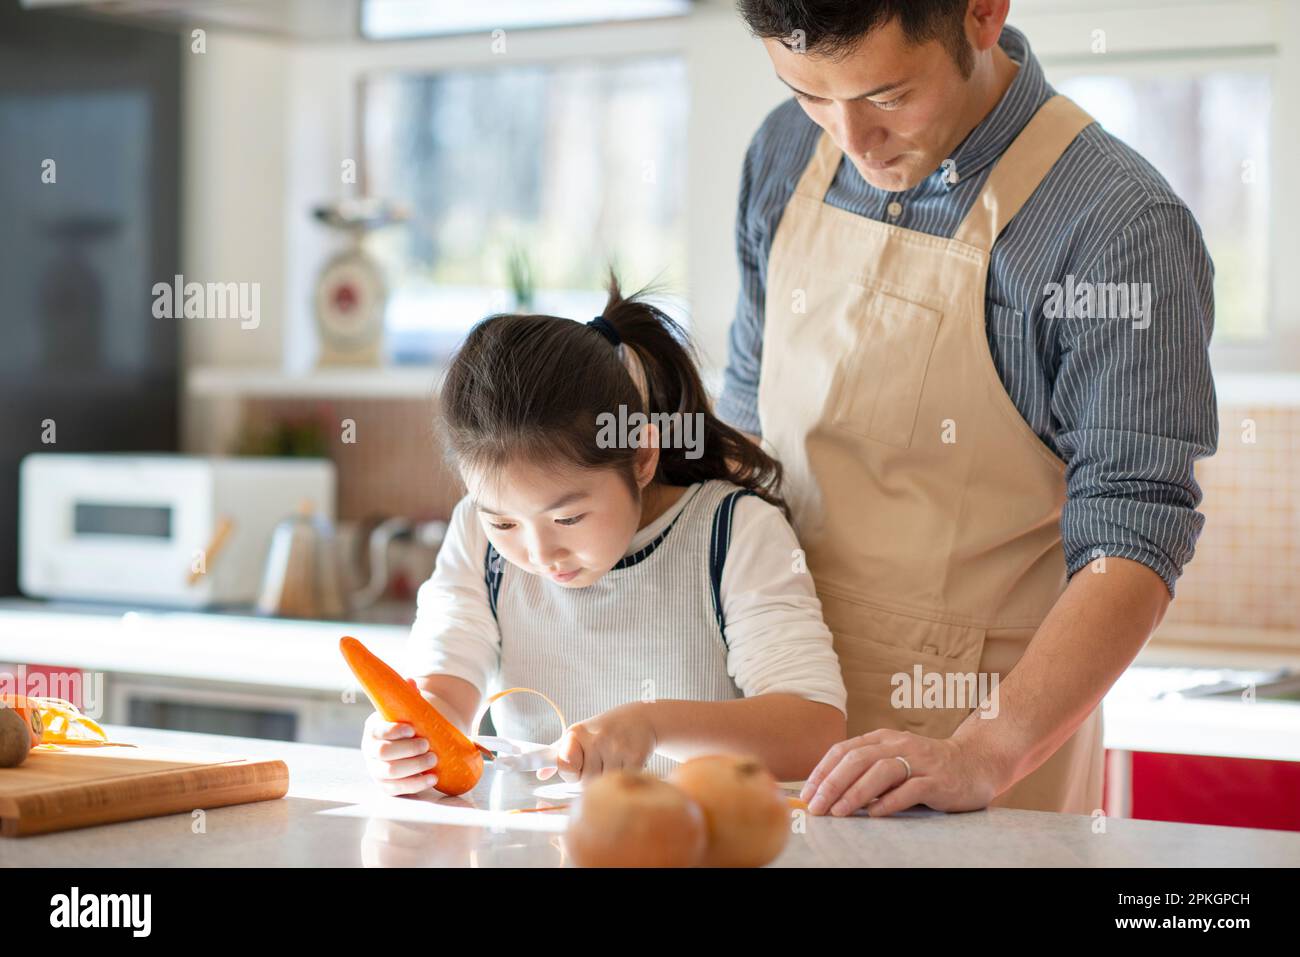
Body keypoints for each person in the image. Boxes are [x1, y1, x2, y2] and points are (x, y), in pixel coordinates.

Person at [720, 0, 1217, 815]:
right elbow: (743, 431)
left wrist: (981, 754)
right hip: (767, 732)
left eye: (885, 97)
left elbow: (1135, 533)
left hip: (970, 768)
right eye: (808, 92)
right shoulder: (781, 150)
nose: (850, 139)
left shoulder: (1117, 226)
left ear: (982, 13)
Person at [362, 272, 847, 792]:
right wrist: (410, 739)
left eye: (567, 518)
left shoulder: (735, 533)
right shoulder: (475, 535)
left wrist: (652, 725)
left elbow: (815, 731)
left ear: (641, 456)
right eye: (504, 522)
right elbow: (446, 686)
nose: (540, 552)